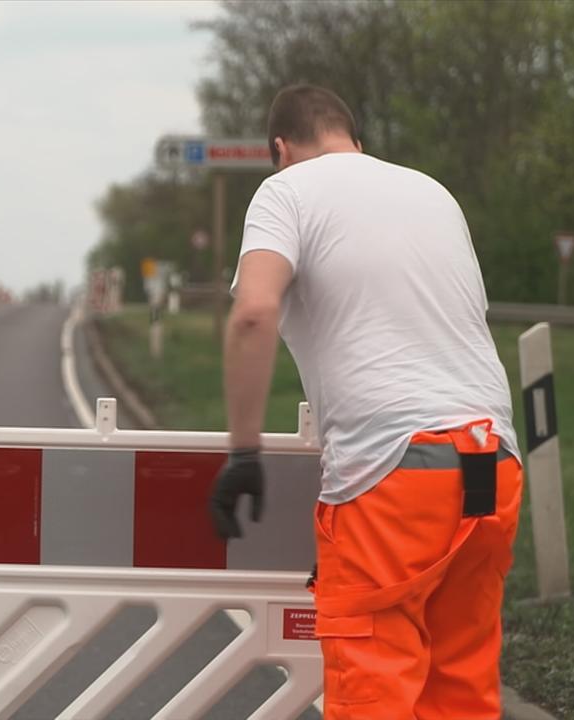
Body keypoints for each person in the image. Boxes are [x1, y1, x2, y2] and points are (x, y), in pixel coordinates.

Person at [208, 85, 523, 719]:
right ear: (356, 140)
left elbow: (253, 314)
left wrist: (243, 450)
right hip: (492, 462)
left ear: (280, 149)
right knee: (460, 688)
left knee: (375, 686)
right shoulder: (433, 193)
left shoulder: (285, 192)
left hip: (392, 471)